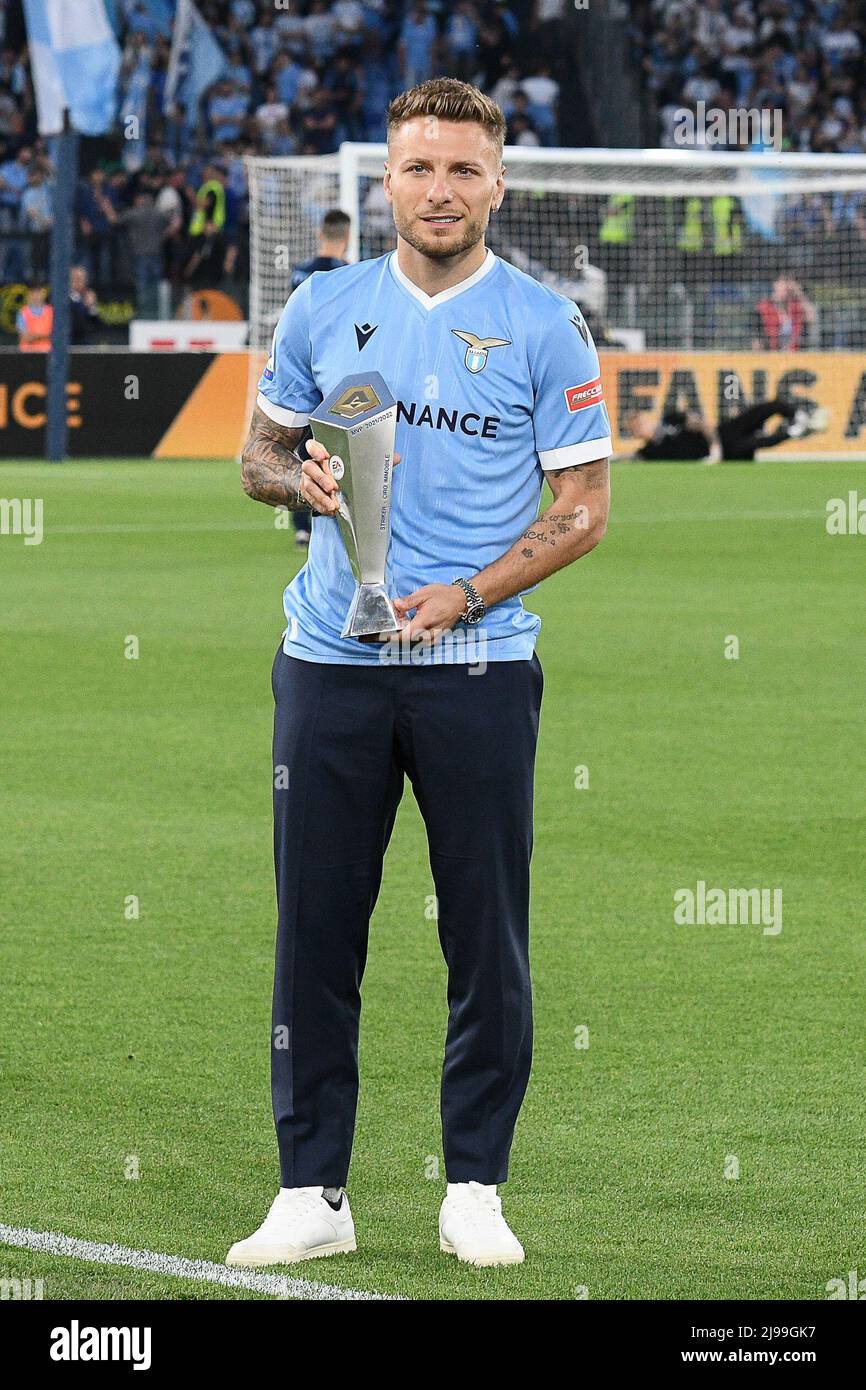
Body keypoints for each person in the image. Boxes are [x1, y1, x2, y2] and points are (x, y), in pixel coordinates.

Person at [229, 77, 611, 1271]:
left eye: (461, 170)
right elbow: (258, 454)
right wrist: (301, 481)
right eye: (417, 168)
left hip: (476, 667)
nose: (438, 190)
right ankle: (311, 1192)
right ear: (383, 180)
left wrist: (468, 594)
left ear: (497, 184)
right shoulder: (323, 305)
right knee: (315, 928)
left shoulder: (546, 324)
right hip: (329, 661)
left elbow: (583, 507)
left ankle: (475, 1186)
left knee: (485, 931)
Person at [287, 209, 352, 549]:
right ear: (348, 236)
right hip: (335, 376)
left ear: (318, 232)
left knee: (299, 448)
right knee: (333, 449)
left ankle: (301, 525)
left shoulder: (299, 274)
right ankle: (333, 514)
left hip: (299, 373)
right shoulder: (349, 275)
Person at [623, 400, 828, 463]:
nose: (641, 429)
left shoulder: (670, 420)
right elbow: (628, 458)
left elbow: (701, 423)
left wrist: (715, 447)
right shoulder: (650, 451)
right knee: (756, 443)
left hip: (723, 434)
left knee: (760, 410)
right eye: (635, 429)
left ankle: (797, 415)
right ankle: (795, 432)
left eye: (640, 423)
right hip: (727, 453)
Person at [752, 277, 817, 351]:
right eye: (783, 283)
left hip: (795, 355)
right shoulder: (764, 307)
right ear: (775, 285)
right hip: (772, 355)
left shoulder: (796, 307)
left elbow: (812, 318)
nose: (786, 287)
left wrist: (799, 293)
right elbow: (756, 340)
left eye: (788, 284)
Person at [17, 281, 52, 352]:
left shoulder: (51, 312)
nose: (36, 295)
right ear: (28, 294)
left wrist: (33, 335)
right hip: (27, 354)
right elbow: (25, 337)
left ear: (43, 293)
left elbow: (57, 335)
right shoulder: (22, 312)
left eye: (38, 292)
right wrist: (45, 335)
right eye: (32, 292)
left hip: (48, 354)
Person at [69, 265, 100, 345]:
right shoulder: (63, 298)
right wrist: (84, 306)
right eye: (76, 279)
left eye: (82, 279)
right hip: (69, 342)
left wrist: (92, 307)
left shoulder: (88, 296)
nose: (78, 282)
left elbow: (95, 323)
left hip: (86, 343)